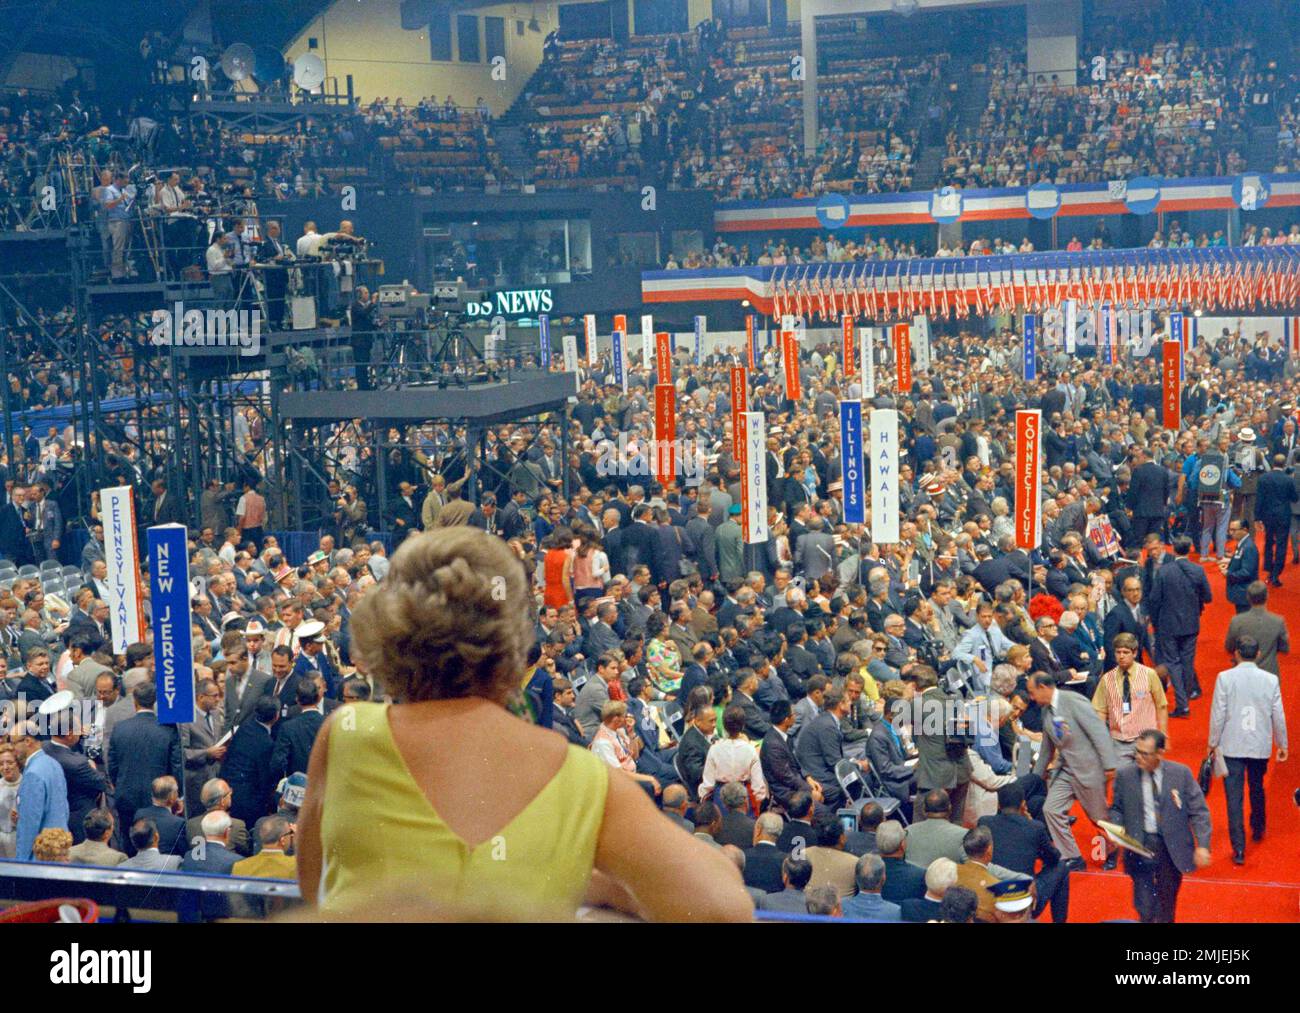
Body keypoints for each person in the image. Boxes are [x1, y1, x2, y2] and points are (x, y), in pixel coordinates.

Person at [296, 528, 752, 921]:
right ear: (515, 646)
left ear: (385, 639)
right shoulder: (577, 777)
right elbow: (723, 905)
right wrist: (594, 884)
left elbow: (313, 885)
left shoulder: (346, 734)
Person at [1108, 729, 1212, 923]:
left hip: (1170, 850)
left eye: (1144, 754)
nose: (1138, 757)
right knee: (1145, 908)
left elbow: (1199, 811)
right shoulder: (1125, 775)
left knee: (1166, 906)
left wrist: (1203, 845)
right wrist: (1116, 831)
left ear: (1160, 753)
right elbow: (1116, 808)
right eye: (1136, 752)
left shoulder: (1180, 774)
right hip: (1139, 847)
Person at [1207, 637, 1288, 865]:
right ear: (1259, 653)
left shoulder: (1224, 678)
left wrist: (1212, 742)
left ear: (1237, 654)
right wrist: (1282, 744)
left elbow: (1218, 713)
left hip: (1231, 745)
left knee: (1233, 798)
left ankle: (1239, 848)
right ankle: (1258, 826)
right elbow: (1278, 715)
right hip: (1258, 745)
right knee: (1257, 787)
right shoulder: (1270, 680)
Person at [1028, 671, 1117, 871]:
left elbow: (1099, 731)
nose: (1031, 698)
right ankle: (1072, 856)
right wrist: (1035, 777)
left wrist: (1110, 765)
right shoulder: (1046, 711)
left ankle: (1113, 850)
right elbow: (1046, 747)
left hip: (1089, 769)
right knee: (1051, 809)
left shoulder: (1073, 701)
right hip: (1066, 770)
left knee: (1099, 819)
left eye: (1033, 692)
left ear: (1043, 688)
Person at [978, 782, 1070, 922]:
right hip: (1023, 898)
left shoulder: (984, 823)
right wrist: (1031, 824)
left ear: (998, 805)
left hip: (990, 895)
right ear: (1023, 804)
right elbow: (1054, 858)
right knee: (1062, 867)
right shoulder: (1035, 827)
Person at [107, 681, 184, 844]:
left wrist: (119, 784)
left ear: (134, 701)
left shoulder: (120, 728)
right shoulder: (168, 729)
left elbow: (112, 765)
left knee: (129, 841)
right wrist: (179, 795)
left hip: (126, 795)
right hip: (159, 796)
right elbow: (176, 765)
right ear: (156, 702)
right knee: (158, 841)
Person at [1147, 535, 1212, 717]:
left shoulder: (1165, 571)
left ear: (1173, 550)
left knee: (1173, 662)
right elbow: (1208, 597)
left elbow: (1154, 599)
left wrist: (1155, 621)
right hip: (1191, 623)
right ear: (1191, 548)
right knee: (1187, 661)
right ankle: (1188, 694)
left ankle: (1182, 704)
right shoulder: (1197, 570)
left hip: (1168, 624)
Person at [1091, 632, 1168, 766]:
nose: (1121, 656)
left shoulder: (1149, 675)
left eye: (1125, 652)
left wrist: (1163, 734)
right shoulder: (1106, 679)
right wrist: (1101, 739)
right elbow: (1100, 711)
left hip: (1146, 740)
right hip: (1119, 742)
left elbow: (1161, 705)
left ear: (1135, 653)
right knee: (1125, 782)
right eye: (1118, 652)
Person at [9, 721, 69, 861]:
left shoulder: (33, 774)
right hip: (60, 849)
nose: (12, 749)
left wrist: (22, 862)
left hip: (40, 856)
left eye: (13, 743)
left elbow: (30, 824)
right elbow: (63, 809)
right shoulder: (53, 764)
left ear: (28, 741)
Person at [1224, 581, 1290, 675]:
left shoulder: (1237, 621)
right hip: (1269, 672)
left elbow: (1229, 647)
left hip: (1242, 673)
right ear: (1267, 596)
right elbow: (1284, 648)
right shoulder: (1278, 621)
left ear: (1248, 597)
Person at [1256, 454, 1298, 586]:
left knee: (1268, 542)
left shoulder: (1263, 478)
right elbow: (1294, 498)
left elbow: (1259, 499)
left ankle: (1268, 570)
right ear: (1284, 464)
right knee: (1281, 544)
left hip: (1268, 515)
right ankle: (1276, 574)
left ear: (1273, 463)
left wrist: (1257, 518)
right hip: (1283, 515)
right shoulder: (1288, 480)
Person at [1220, 518, 1259, 613]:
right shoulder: (1242, 544)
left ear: (1245, 530)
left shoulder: (1248, 547)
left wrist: (1228, 573)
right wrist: (1230, 564)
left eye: (1234, 530)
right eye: (1230, 530)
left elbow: (1247, 572)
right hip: (1242, 593)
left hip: (1245, 593)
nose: (1231, 533)